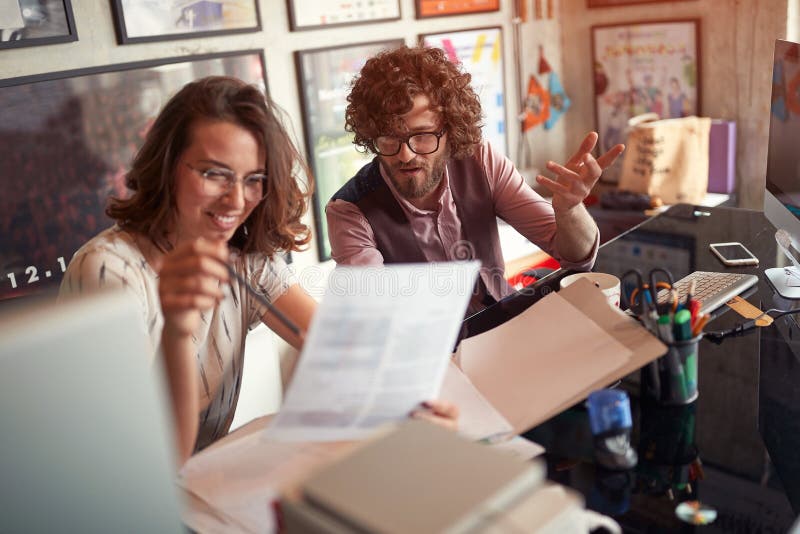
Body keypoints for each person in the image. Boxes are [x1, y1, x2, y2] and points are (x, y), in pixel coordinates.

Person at [58, 76, 457, 466]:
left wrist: (406, 402)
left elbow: (342, 350)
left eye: (253, 180)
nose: (236, 199)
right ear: (167, 166)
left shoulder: (245, 261)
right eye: (214, 173)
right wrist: (177, 331)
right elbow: (153, 460)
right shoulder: (108, 272)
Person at [326, 46, 625, 312]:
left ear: (450, 128)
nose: (406, 155)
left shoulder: (480, 162)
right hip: (429, 358)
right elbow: (370, 316)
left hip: (504, 327)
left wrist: (570, 211)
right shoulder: (350, 210)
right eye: (389, 138)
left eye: (422, 135)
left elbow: (577, 258)